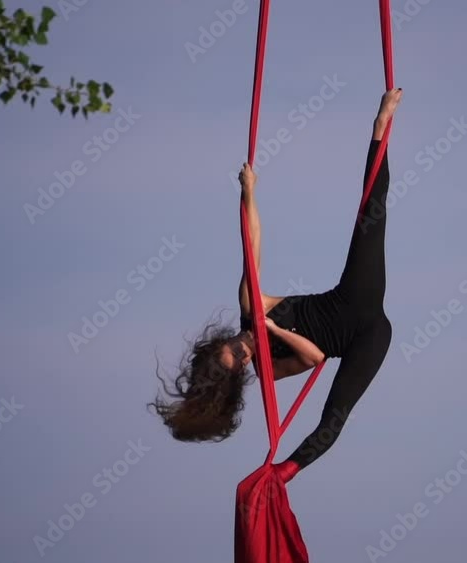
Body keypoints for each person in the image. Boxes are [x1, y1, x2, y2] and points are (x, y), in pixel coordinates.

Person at [153, 88, 403, 482]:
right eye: (239, 362)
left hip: (352, 300)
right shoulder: (268, 372)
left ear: (223, 342)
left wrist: (249, 192)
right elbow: (314, 358)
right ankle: (284, 474)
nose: (243, 353)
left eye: (232, 350)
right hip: (366, 338)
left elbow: (251, 246)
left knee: (372, 212)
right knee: (334, 419)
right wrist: (271, 331)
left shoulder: (252, 307)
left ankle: (379, 128)